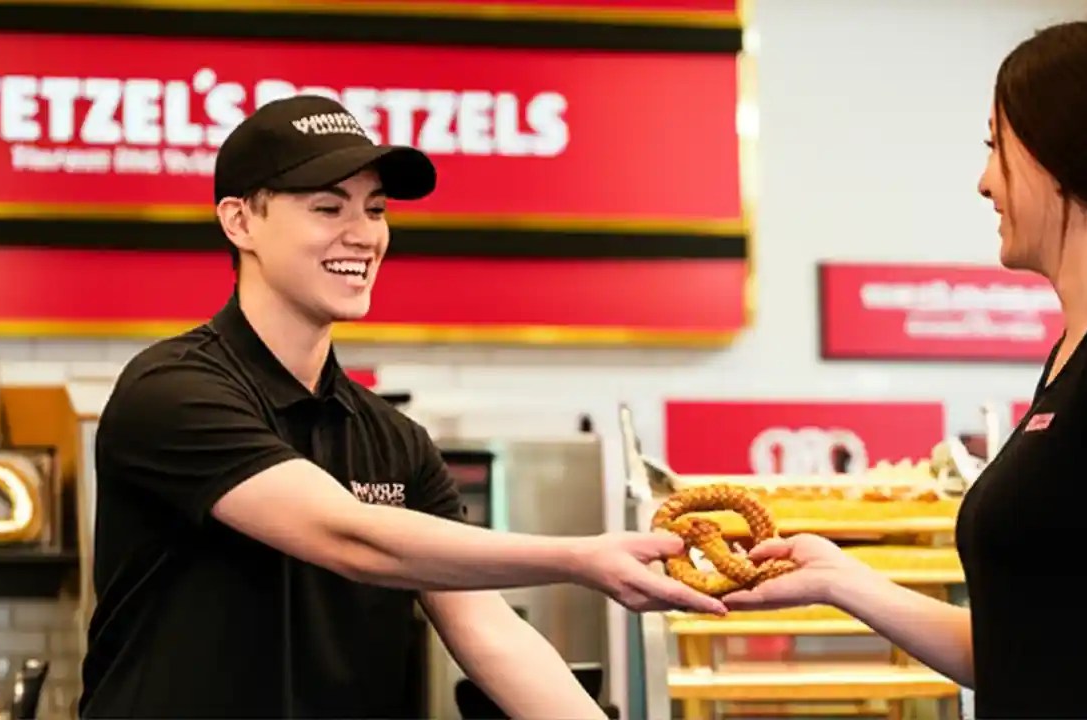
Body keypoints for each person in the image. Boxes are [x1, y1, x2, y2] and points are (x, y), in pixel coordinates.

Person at [77, 94, 727, 719]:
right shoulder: (170, 392)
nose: (363, 236)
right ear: (240, 220)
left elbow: (488, 630)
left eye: (377, 209)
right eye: (328, 208)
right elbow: (349, 536)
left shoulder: (395, 441)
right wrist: (579, 559)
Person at [722, 4, 1087, 718]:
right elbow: (1022, 653)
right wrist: (842, 579)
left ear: (1068, 158)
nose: (983, 182)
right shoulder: (1080, 350)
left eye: (996, 148)